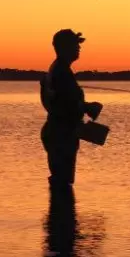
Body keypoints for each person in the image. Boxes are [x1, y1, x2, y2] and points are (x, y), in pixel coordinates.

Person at [40, 29, 102, 189]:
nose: (79, 48)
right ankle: (61, 214)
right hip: (61, 134)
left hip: (60, 132)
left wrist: (85, 107)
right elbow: (65, 104)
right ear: (65, 47)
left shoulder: (60, 69)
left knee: (61, 182)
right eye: (75, 45)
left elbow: (64, 101)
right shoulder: (61, 71)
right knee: (62, 183)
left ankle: (61, 214)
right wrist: (88, 107)